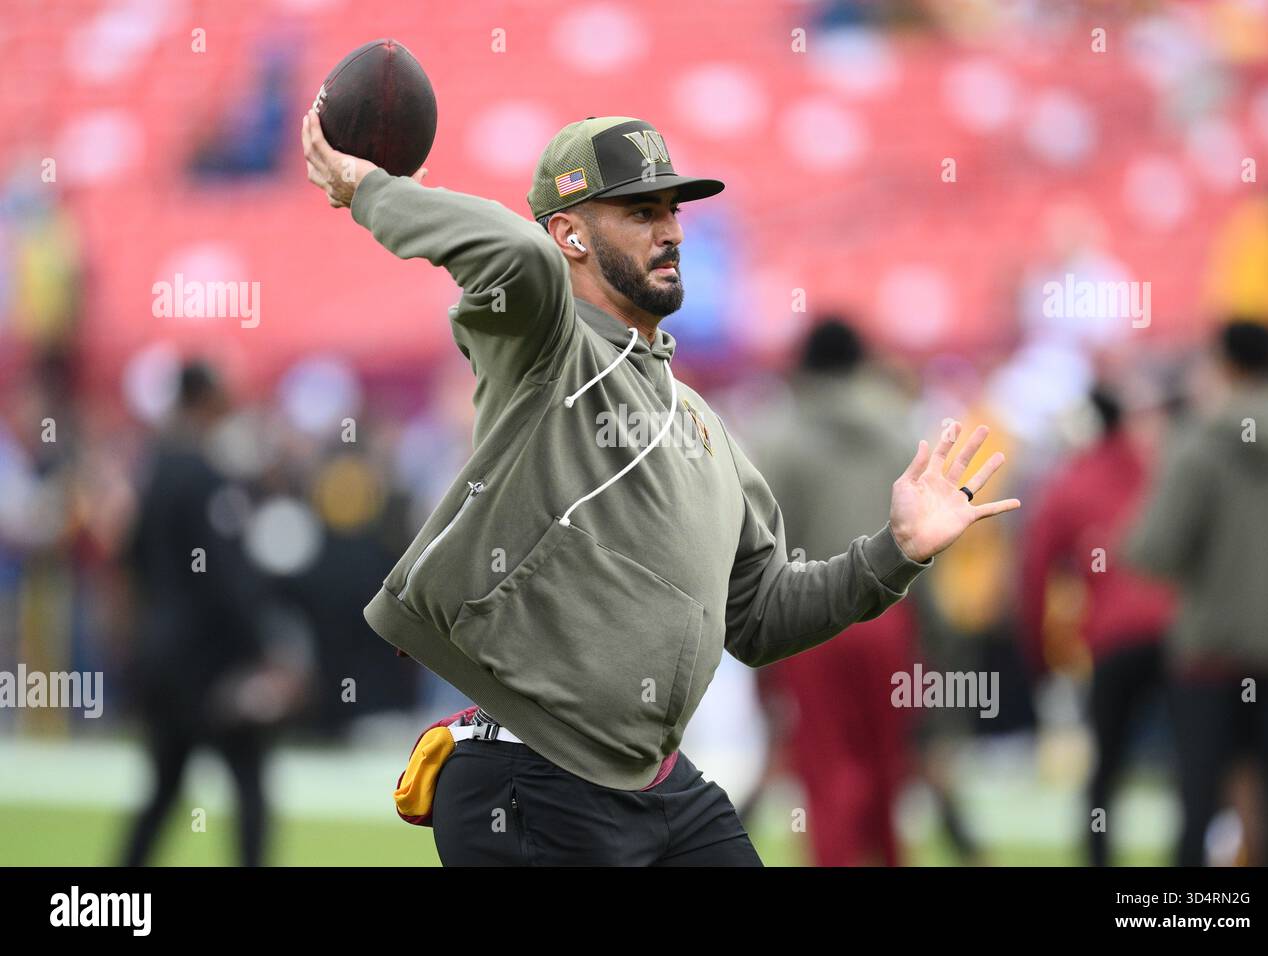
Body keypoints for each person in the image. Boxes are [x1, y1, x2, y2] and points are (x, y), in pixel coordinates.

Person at [302, 110, 1021, 866]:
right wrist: (370, 188)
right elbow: (514, 251)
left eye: (674, 210)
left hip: (655, 782)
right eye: (641, 211)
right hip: (532, 777)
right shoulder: (548, 345)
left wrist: (894, 552)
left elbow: (763, 614)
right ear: (572, 234)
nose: (672, 230)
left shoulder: (701, 422)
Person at [1127, 320, 1268, 866]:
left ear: (1225, 364)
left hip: (1212, 653)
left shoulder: (1201, 443)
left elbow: (1153, 549)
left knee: (1199, 802)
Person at [754, 317, 922, 866]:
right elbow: (925, 549)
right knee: (887, 772)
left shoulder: (780, 440)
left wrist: (762, 654)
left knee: (826, 775)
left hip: (814, 622)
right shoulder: (901, 434)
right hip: (891, 624)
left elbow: (762, 552)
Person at [119, 362, 270, 867]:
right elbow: (225, 577)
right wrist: (262, 649)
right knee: (248, 783)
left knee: (163, 789)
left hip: (162, 654)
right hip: (209, 661)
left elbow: (134, 558)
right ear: (206, 398)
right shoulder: (204, 476)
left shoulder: (155, 470)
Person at [1020, 384, 1176, 866]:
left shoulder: (1069, 484)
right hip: (1178, 634)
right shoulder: (1160, 468)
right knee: (1197, 765)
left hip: (1112, 640)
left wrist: (1039, 660)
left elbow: (1033, 576)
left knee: (1105, 767)